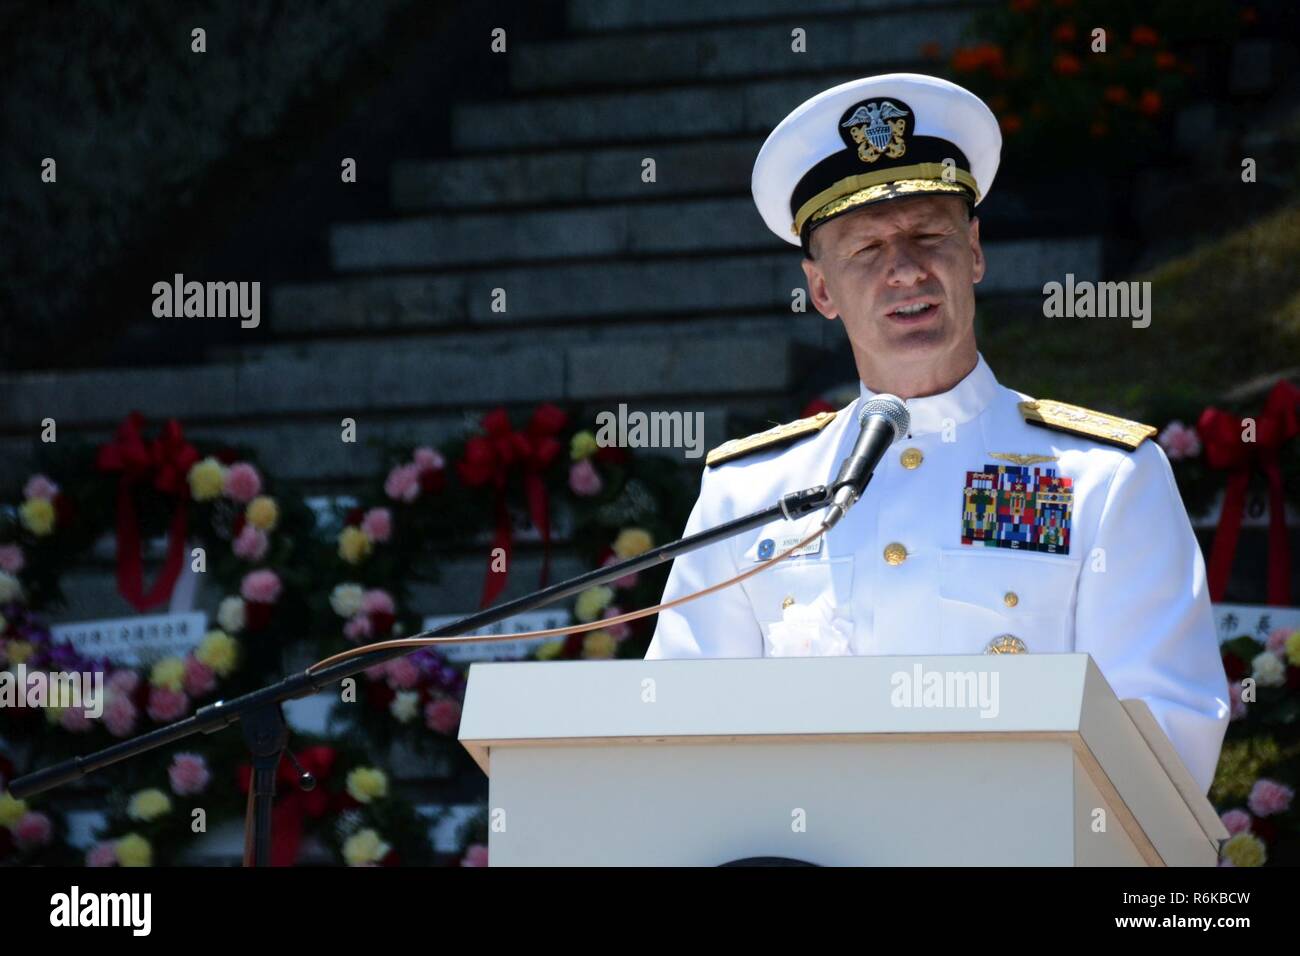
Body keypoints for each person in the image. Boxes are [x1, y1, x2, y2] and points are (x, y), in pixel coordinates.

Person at [644, 73, 1229, 794]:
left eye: (929, 235)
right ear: (821, 289)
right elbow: (678, 730)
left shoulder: (1103, 479)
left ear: (974, 251)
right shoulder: (750, 494)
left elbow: (1162, 740)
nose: (905, 271)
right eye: (866, 249)